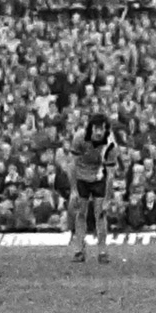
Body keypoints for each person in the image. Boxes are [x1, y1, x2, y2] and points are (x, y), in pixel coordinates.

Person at [61, 111, 120, 263]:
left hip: (99, 177)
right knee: (81, 213)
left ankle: (102, 251)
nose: (99, 132)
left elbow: (111, 174)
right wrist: (73, 190)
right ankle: (79, 250)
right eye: (96, 129)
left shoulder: (110, 145)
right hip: (81, 177)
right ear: (91, 128)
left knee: (100, 214)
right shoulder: (79, 138)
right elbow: (72, 164)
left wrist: (107, 198)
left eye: (102, 129)